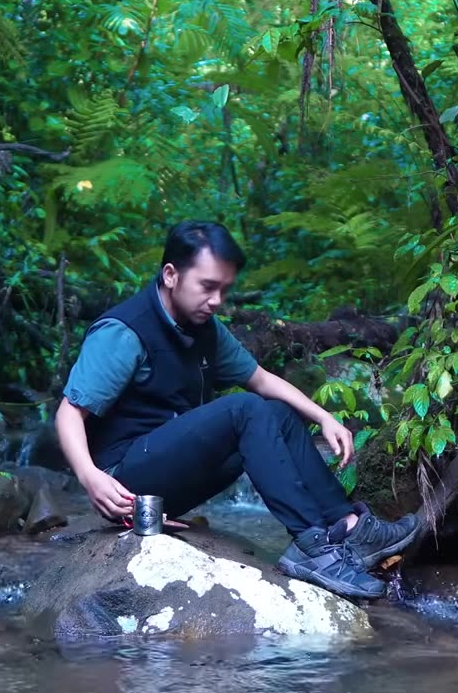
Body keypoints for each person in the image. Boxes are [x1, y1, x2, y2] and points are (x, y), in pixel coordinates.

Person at [54, 221, 420, 600]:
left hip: (169, 481)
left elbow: (260, 378)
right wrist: (90, 477)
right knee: (244, 409)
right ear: (170, 275)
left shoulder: (204, 328)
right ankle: (312, 548)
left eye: (224, 290)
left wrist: (324, 417)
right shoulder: (124, 332)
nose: (216, 301)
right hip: (125, 486)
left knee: (276, 413)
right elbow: (69, 413)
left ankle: (349, 528)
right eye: (207, 287)